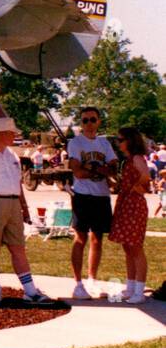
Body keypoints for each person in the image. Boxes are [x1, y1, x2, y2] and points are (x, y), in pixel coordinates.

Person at [0, 118, 52, 305]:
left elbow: (18, 184)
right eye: (12, 133)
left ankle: (30, 291)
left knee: (18, 247)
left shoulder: (11, 155)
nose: (15, 136)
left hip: (13, 205)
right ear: (2, 133)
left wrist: (24, 207)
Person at [66, 107, 116, 299]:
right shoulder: (75, 142)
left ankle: (92, 280)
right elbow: (77, 172)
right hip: (82, 196)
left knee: (98, 239)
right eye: (85, 120)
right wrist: (99, 170)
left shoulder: (105, 143)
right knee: (80, 238)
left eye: (92, 120)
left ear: (99, 121)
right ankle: (78, 284)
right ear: (81, 123)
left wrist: (91, 168)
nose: (89, 124)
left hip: (101, 196)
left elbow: (112, 169)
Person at [108, 127, 150, 304]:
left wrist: (135, 187)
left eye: (121, 140)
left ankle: (139, 291)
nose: (118, 143)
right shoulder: (128, 160)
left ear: (130, 141)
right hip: (126, 204)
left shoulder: (137, 158)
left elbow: (146, 177)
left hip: (134, 206)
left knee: (136, 248)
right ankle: (131, 286)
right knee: (127, 247)